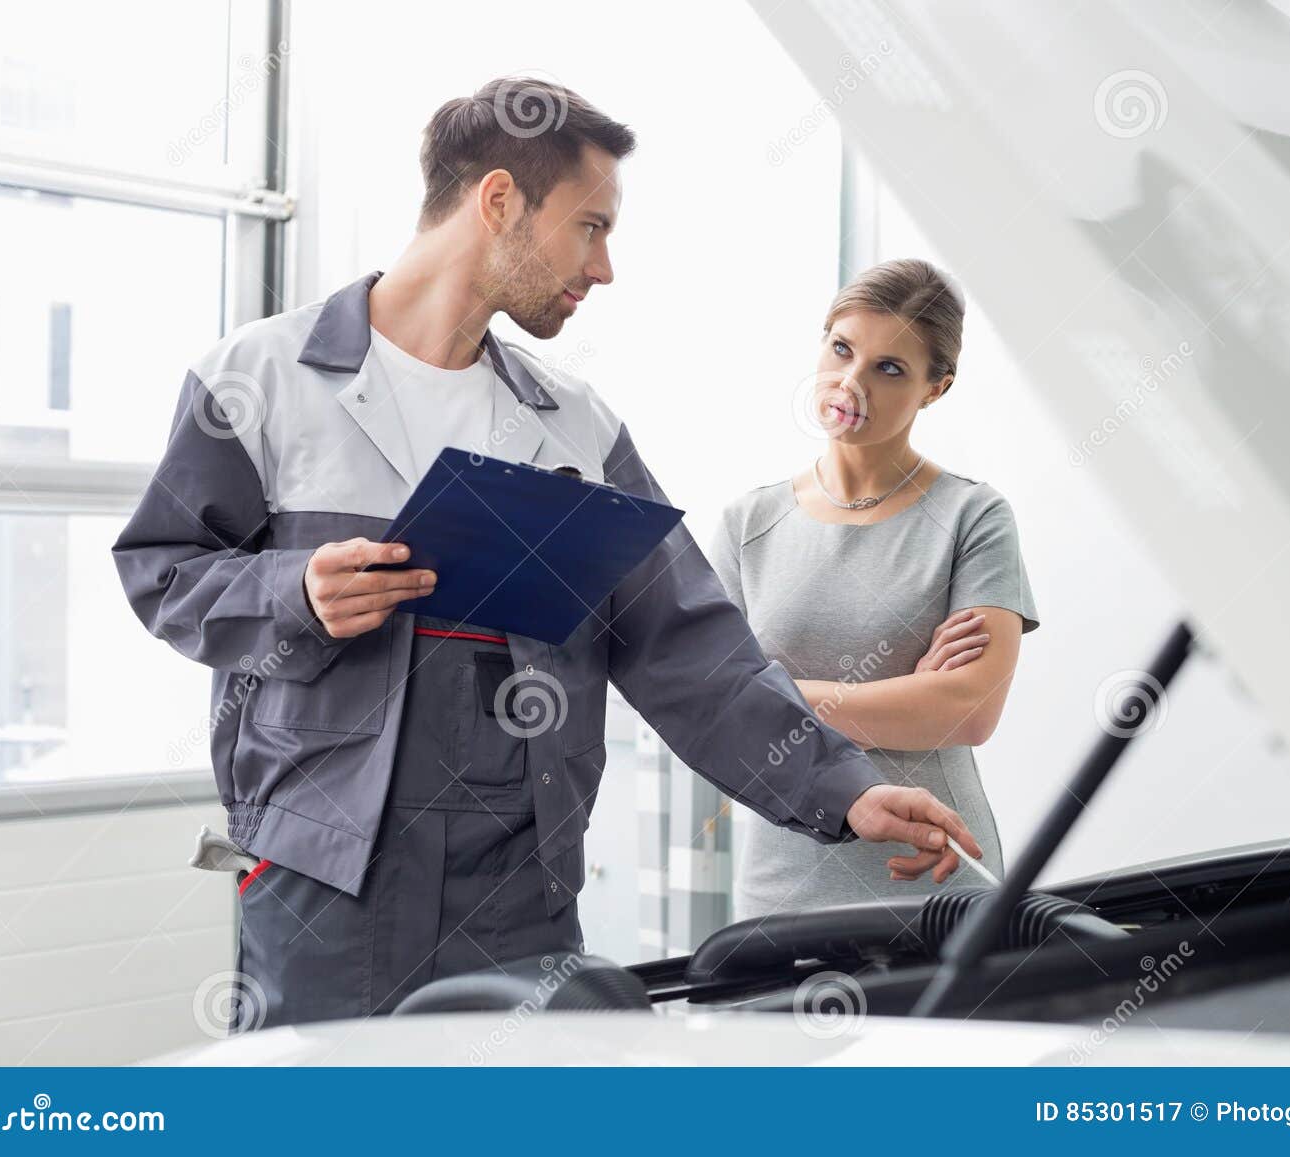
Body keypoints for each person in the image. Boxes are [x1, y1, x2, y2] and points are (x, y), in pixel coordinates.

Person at [112, 79, 984, 1030]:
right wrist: (293, 591)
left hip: (520, 891)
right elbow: (164, 568)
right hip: (327, 879)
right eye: (590, 226)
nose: (603, 266)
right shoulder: (258, 380)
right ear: (499, 201)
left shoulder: (576, 428)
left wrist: (847, 789)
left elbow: (691, 649)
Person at [709, 258, 1040, 922]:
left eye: (890, 368)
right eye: (841, 349)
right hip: (781, 895)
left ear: (935, 388)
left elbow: (969, 713)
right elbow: (716, 713)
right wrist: (907, 697)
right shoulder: (749, 523)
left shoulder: (973, 516)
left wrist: (776, 696)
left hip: (939, 889)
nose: (850, 382)